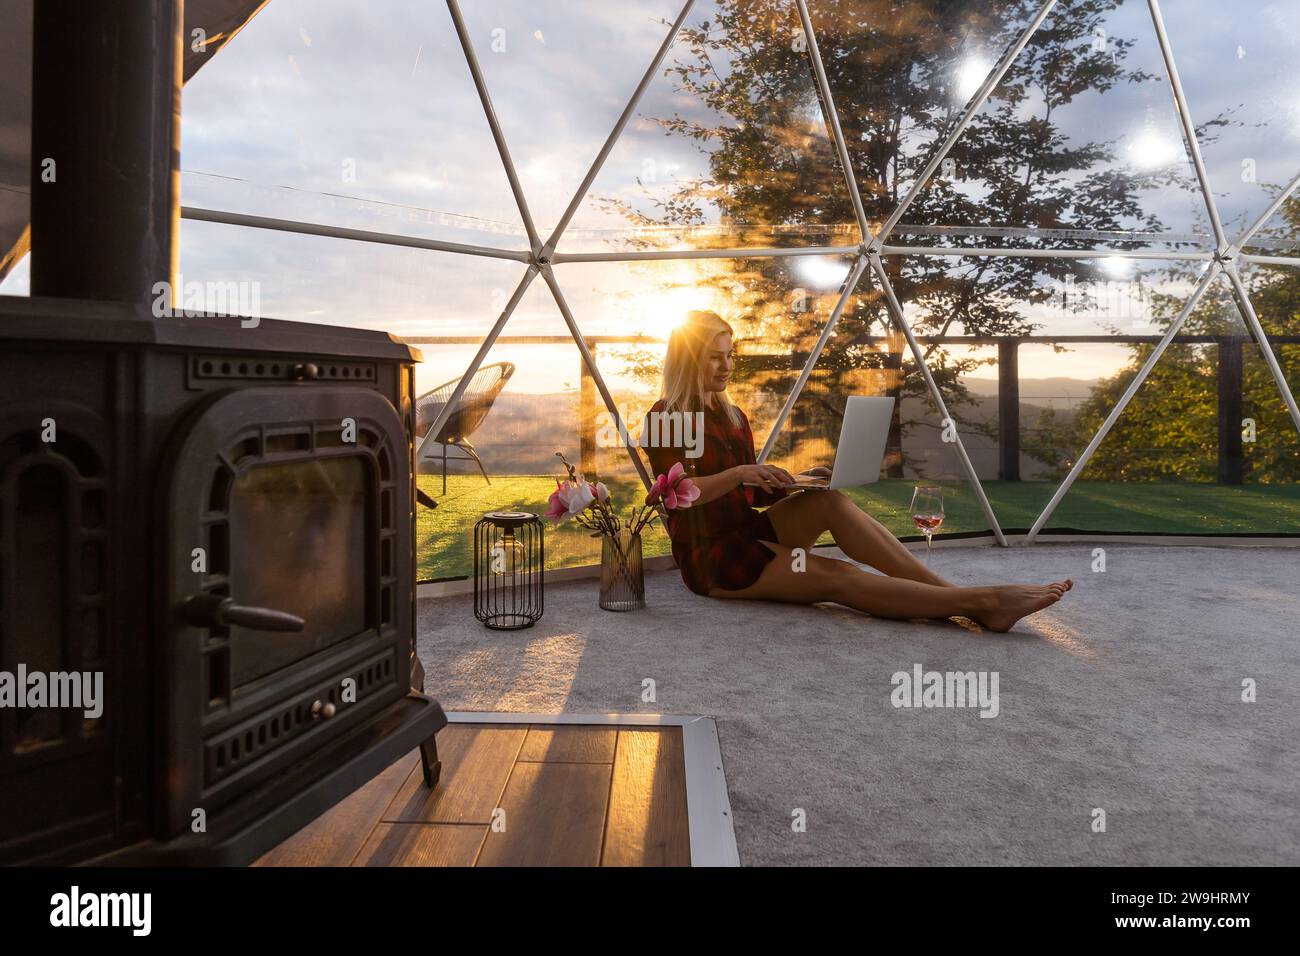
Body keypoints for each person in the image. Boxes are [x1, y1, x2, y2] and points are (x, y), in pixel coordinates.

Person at [641, 310, 1072, 633]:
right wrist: (740, 474)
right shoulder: (665, 417)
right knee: (838, 577)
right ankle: (982, 601)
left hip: (748, 532)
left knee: (828, 501)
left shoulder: (732, 415)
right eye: (715, 358)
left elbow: (749, 496)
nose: (727, 366)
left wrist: (794, 480)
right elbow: (677, 496)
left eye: (729, 355)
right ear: (688, 360)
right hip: (713, 558)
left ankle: (946, 593)